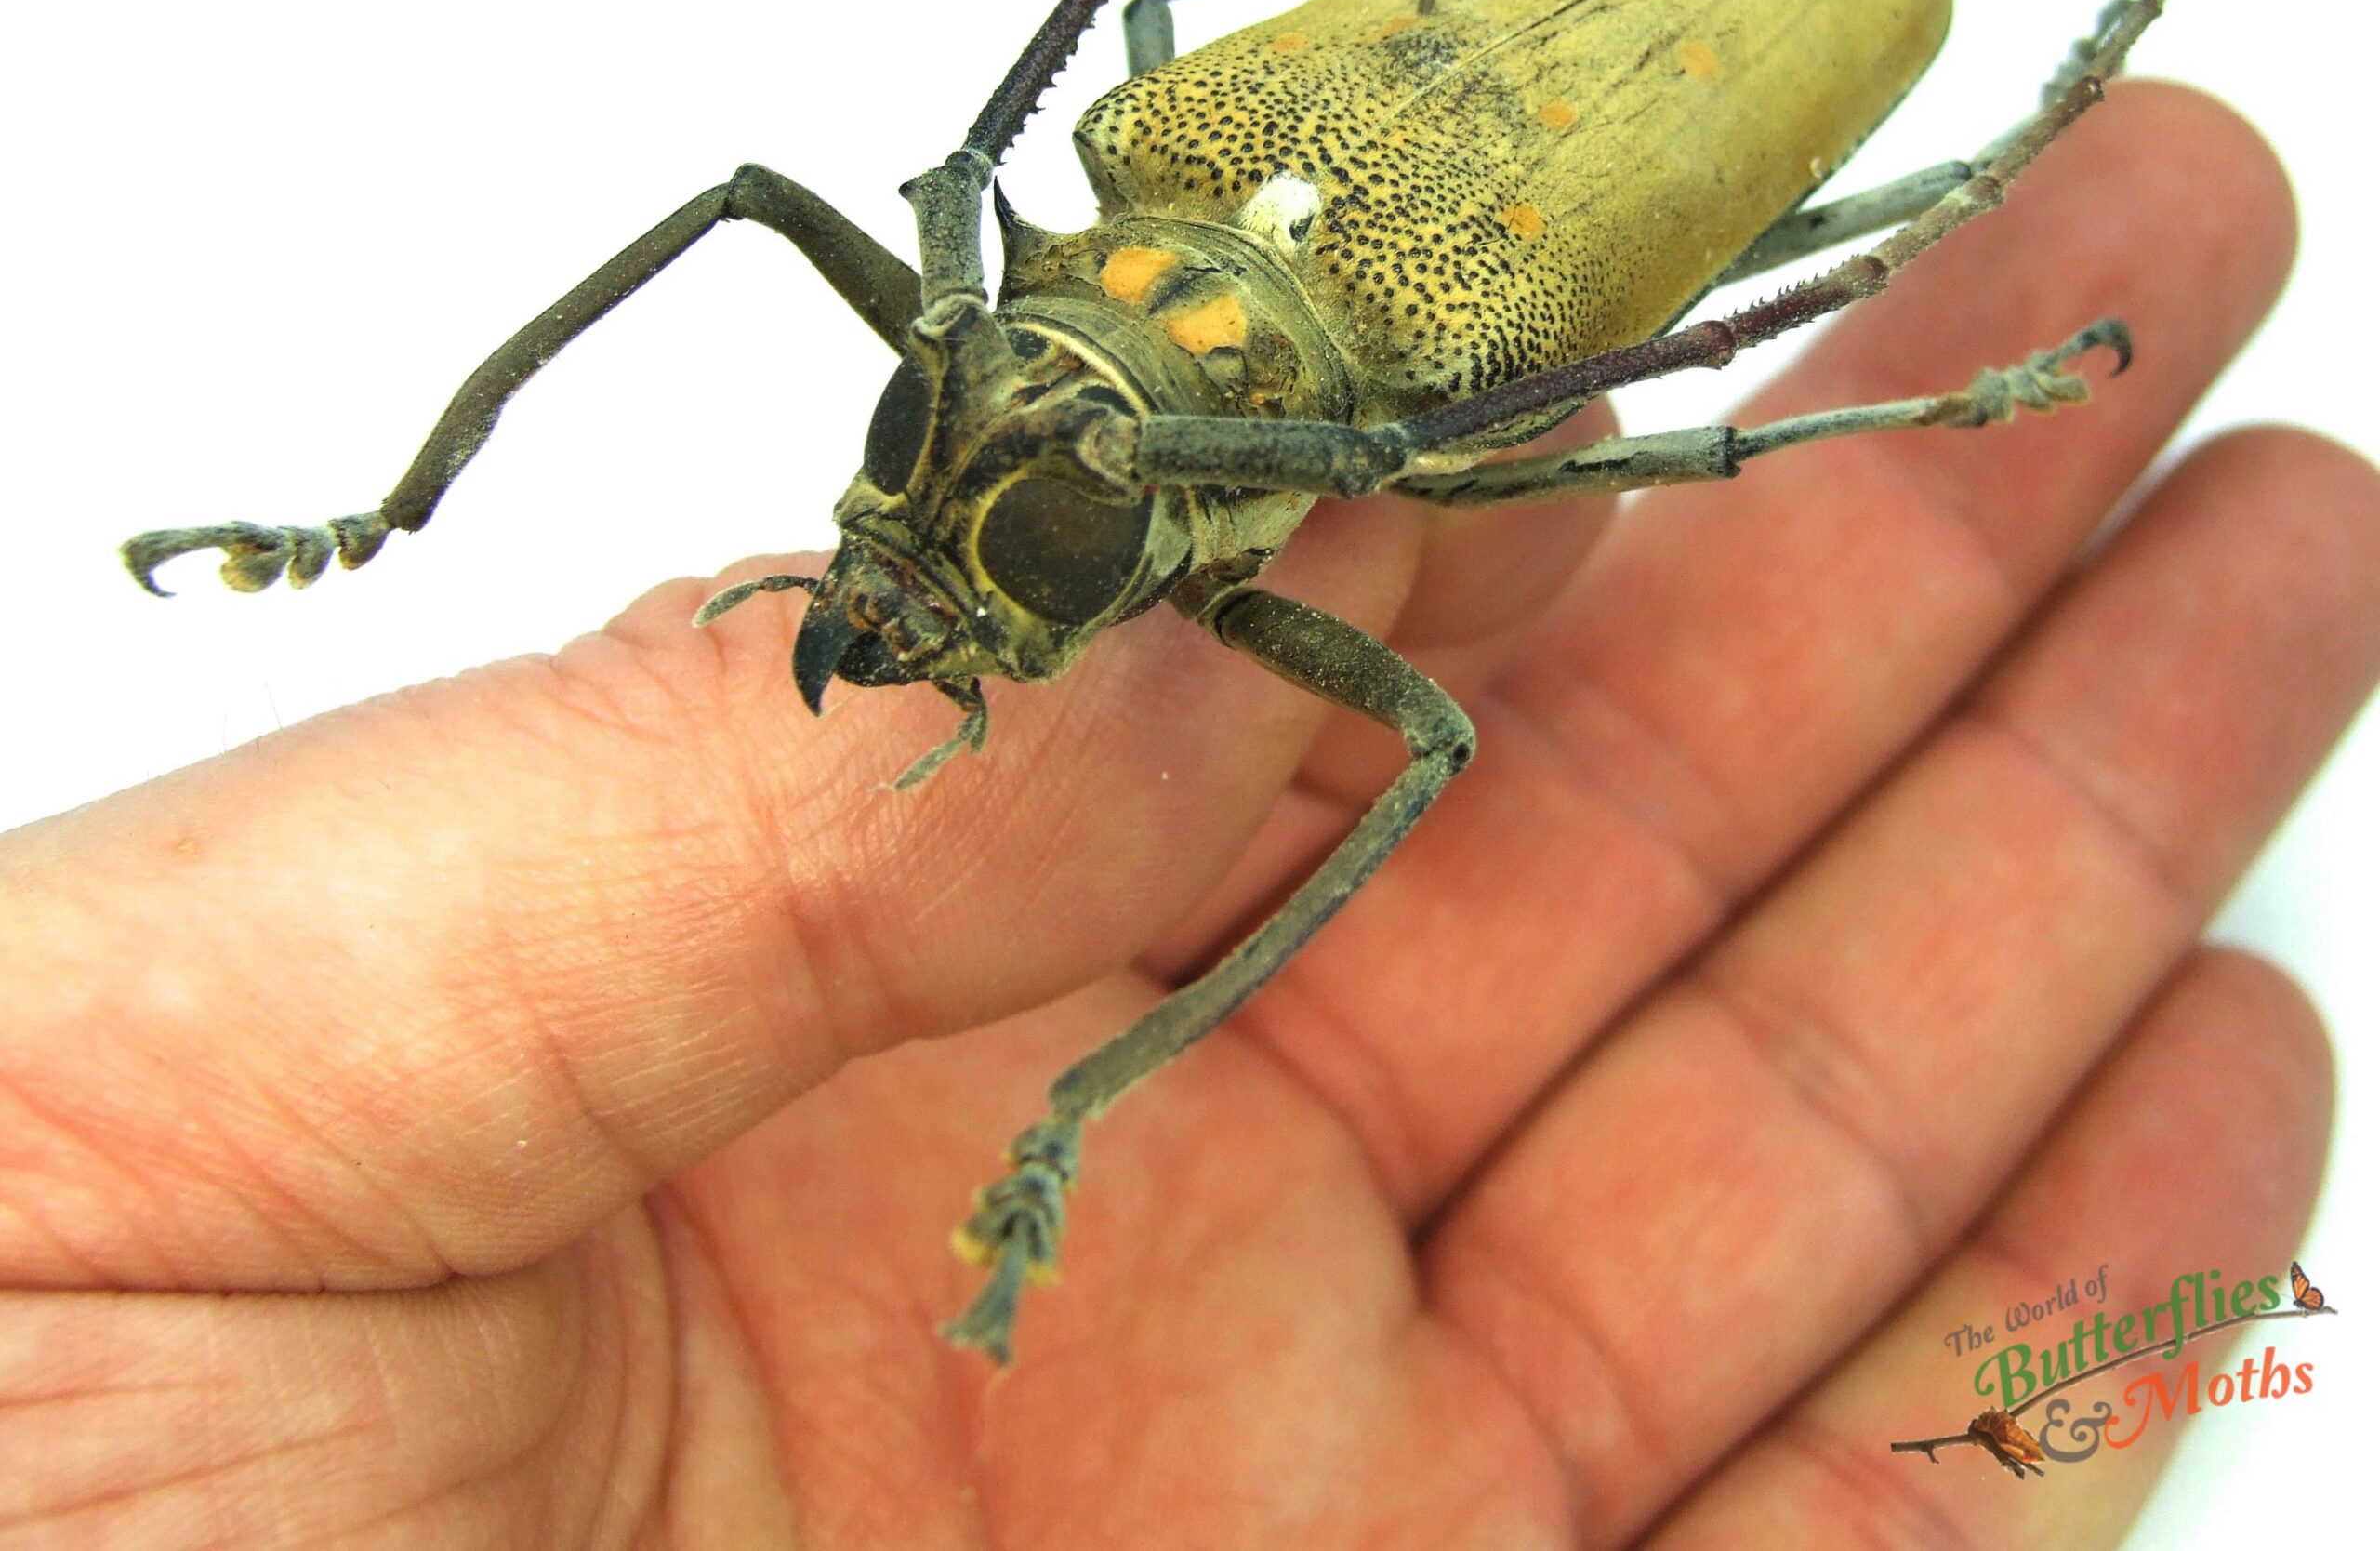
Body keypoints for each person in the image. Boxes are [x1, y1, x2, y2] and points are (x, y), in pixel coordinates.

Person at [2, 86, 2367, 1545]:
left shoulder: (1323, 440)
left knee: (1490, 611)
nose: (866, 615)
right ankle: (383, 518)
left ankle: (1983, 199)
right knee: (1448, 621)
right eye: (918, 478)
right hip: (1314, 215)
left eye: (984, 542)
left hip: (1441, 236)